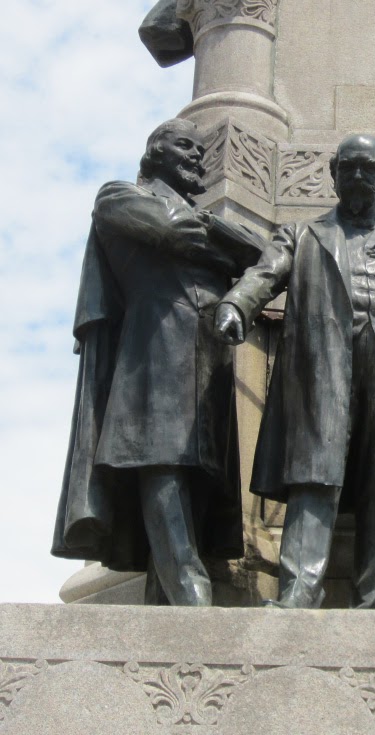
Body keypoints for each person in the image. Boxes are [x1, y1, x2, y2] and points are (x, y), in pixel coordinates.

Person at [214, 134, 375, 609]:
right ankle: (299, 591)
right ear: (333, 174)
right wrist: (236, 305)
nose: (358, 176)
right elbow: (265, 274)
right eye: (348, 167)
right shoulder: (303, 235)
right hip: (326, 363)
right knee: (314, 473)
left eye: (368, 168)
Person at [52, 118, 265, 605]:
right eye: (185, 146)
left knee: (199, 477)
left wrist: (217, 237)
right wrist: (222, 244)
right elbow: (172, 228)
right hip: (155, 353)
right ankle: (192, 594)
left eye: (201, 151)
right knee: (162, 465)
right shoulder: (118, 196)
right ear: (155, 152)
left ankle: (166, 604)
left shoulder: (196, 214)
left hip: (210, 360)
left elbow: (258, 252)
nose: (196, 156)